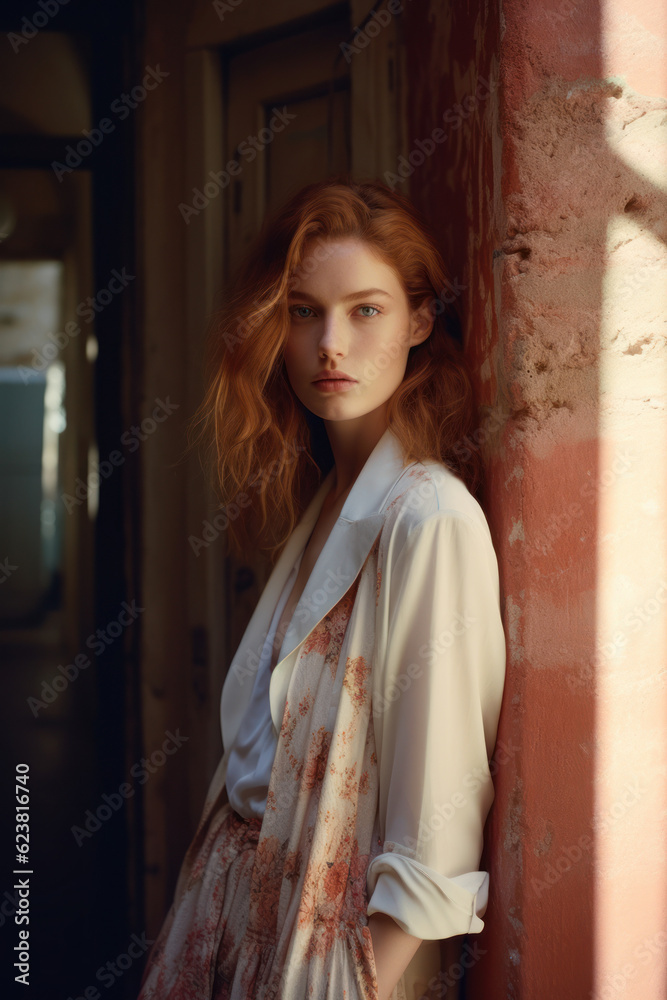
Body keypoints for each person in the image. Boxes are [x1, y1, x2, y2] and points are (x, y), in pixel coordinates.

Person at [136, 176, 506, 1000]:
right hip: (228, 926)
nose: (329, 344)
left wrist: (348, 982)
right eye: (304, 311)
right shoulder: (325, 502)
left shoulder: (427, 519)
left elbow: (438, 834)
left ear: (417, 321)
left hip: (331, 963)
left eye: (365, 309)